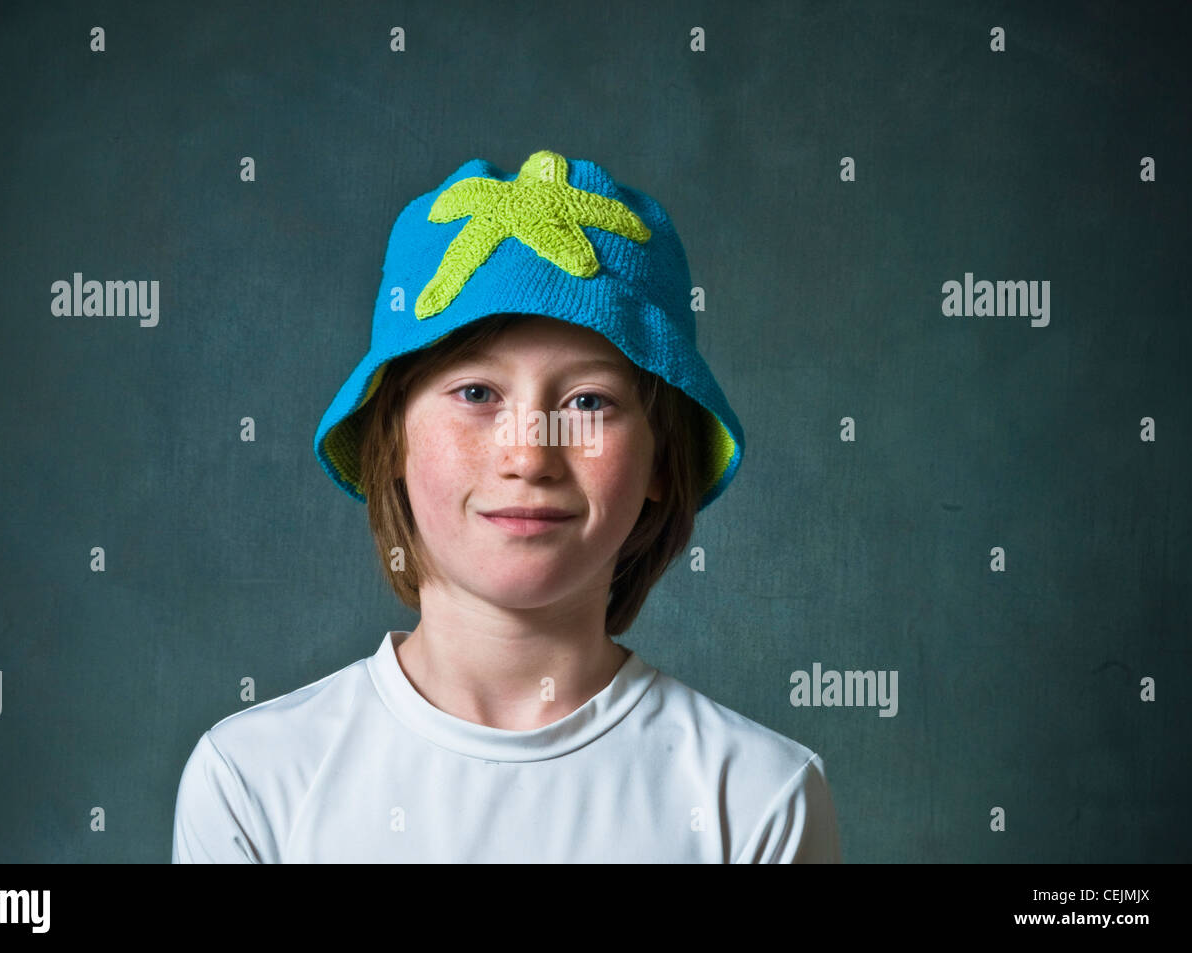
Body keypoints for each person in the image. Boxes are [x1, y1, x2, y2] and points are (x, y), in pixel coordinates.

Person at [171, 149, 841, 863]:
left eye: (589, 402)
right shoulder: (251, 780)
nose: (529, 455)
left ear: (660, 459)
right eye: (477, 394)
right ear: (392, 436)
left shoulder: (759, 798)